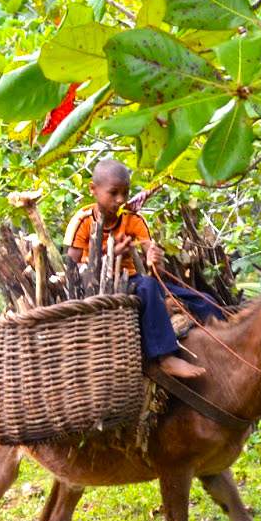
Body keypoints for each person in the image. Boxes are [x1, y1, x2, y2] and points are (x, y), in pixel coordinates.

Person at [63, 159, 221, 381]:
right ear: (93, 189)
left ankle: (223, 347)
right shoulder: (82, 221)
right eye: (113, 193)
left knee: (202, 299)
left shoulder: (133, 219)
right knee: (147, 286)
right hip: (100, 287)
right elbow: (71, 270)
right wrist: (111, 256)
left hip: (134, 280)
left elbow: (155, 264)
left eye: (125, 193)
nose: (120, 200)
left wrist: (154, 259)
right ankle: (165, 357)